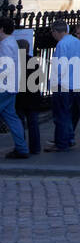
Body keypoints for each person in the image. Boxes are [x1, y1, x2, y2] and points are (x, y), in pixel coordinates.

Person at [46, 21, 80, 153]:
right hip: (75, 83)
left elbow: (60, 66)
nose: (52, 35)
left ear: (56, 31)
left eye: (52, 32)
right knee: (68, 113)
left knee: (60, 115)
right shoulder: (76, 41)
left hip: (63, 84)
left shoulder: (62, 44)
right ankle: (69, 139)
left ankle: (61, 143)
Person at [0, 20, 29, 158]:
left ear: (1, 29)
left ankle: (22, 148)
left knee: (11, 117)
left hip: (3, 87)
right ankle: (22, 148)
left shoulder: (5, 44)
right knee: (11, 117)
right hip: (11, 86)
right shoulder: (12, 42)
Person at [15, 39, 41, 156]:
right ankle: (35, 148)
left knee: (19, 123)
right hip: (33, 96)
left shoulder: (15, 61)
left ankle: (21, 146)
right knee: (33, 123)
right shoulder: (33, 60)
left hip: (20, 97)